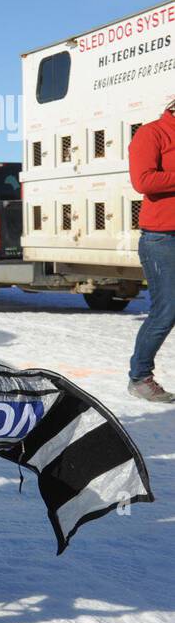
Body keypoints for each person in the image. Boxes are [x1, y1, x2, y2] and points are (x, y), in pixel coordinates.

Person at [127, 98, 175, 401]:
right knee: (167, 309)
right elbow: (142, 180)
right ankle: (139, 377)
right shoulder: (152, 133)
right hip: (161, 238)